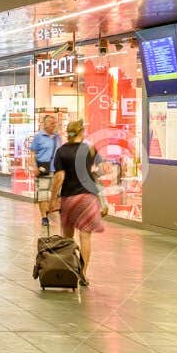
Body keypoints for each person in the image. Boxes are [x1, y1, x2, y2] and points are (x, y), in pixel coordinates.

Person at [52, 119, 103, 286]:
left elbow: (59, 177)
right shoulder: (89, 149)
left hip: (69, 197)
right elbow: (100, 168)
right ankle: (83, 272)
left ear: (68, 133)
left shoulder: (61, 151)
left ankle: (68, 269)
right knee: (85, 236)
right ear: (82, 132)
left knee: (67, 235)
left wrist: (53, 198)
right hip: (88, 197)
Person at [27, 112, 62, 231]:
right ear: (45, 124)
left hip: (56, 170)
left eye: (54, 123)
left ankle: (53, 211)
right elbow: (32, 152)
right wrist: (34, 167)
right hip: (43, 169)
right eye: (51, 123)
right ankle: (44, 217)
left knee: (57, 194)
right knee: (42, 194)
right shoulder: (39, 136)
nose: (54, 125)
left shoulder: (58, 137)